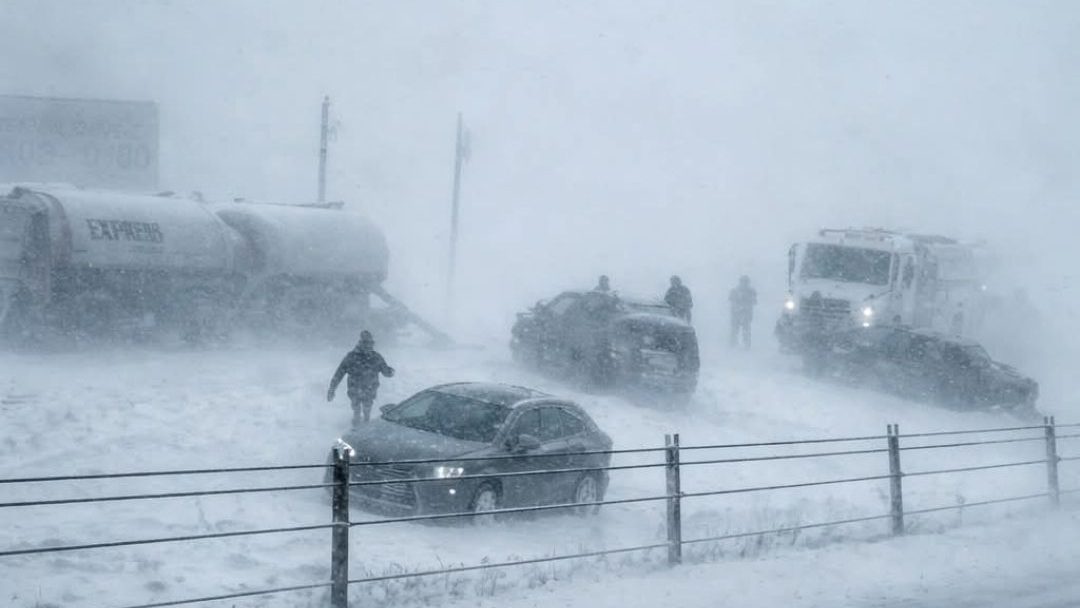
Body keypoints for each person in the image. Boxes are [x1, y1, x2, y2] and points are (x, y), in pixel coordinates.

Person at [327, 330, 395, 424]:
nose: (369, 345)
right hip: (358, 389)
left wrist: (390, 372)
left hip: (366, 389)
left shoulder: (374, 357)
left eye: (371, 343)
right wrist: (332, 389)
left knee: (364, 408)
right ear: (361, 343)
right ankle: (358, 423)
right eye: (366, 343)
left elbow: (386, 372)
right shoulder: (354, 357)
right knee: (358, 408)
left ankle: (362, 422)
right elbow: (339, 374)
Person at [729, 275, 757, 348]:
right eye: (743, 282)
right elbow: (731, 299)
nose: (744, 284)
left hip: (746, 314)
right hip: (736, 314)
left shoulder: (751, 291)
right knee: (735, 330)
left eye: (746, 282)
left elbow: (754, 301)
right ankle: (733, 344)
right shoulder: (734, 291)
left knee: (746, 330)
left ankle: (746, 345)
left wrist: (747, 302)